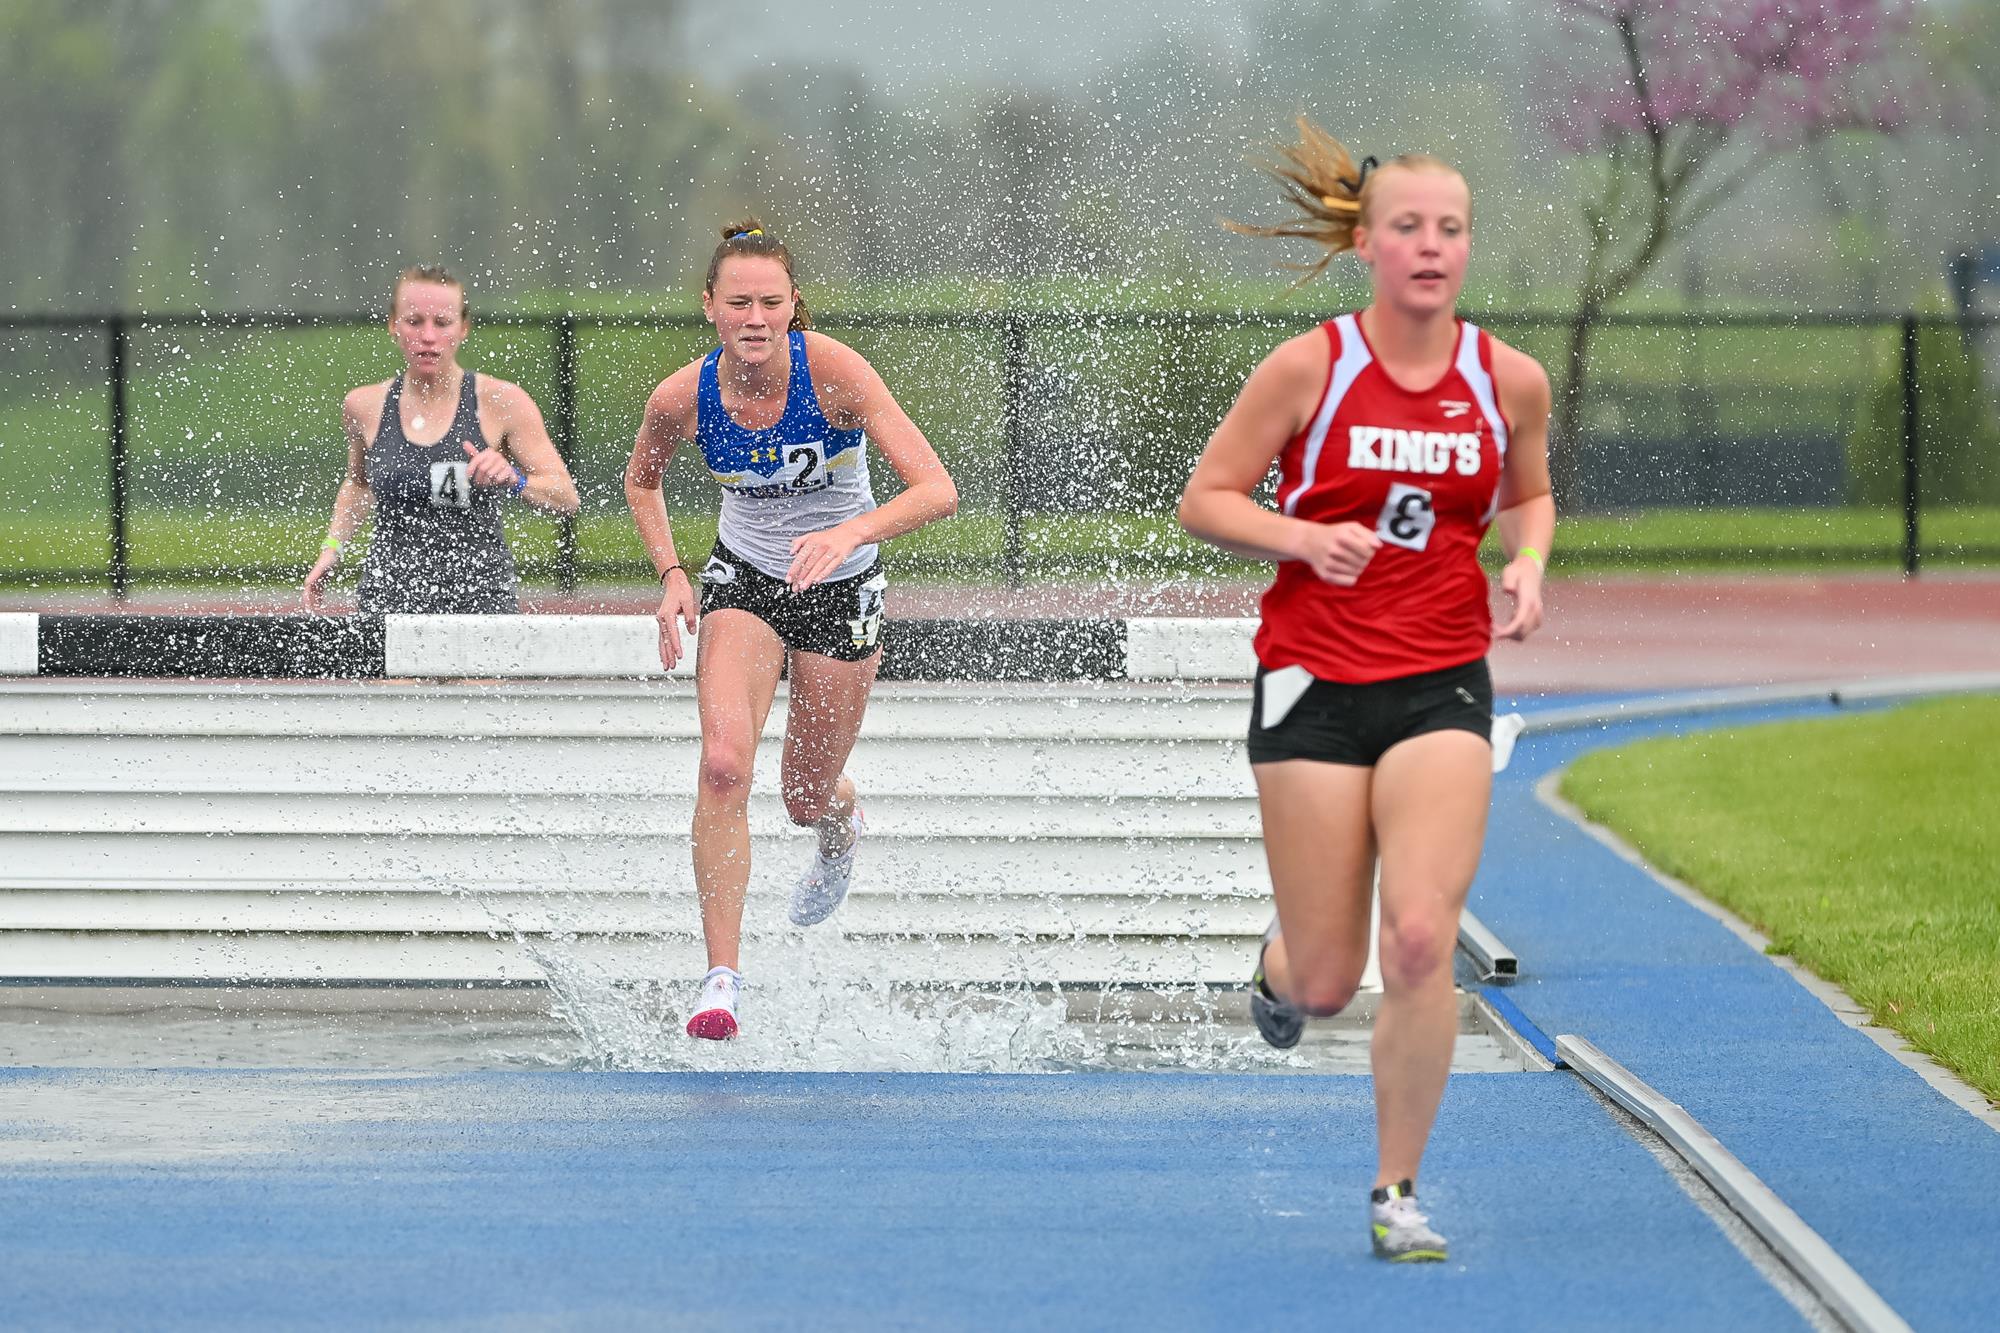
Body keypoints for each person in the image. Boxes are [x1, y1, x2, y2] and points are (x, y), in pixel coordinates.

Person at [1178, 120, 1555, 1262]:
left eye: (1450, 229)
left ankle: (1396, 1191)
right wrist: (1301, 535)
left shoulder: (1507, 379)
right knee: (1332, 974)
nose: (1430, 247)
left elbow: (1528, 498)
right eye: (1407, 228)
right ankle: (1281, 965)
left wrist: (1526, 564)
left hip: (1441, 680)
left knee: (1422, 936)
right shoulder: (1310, 366)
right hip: (1312, 683)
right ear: (1366, 246)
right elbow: (1206, 498)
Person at [624, 219, 957, 1041]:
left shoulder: (835, 372)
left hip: (840, 585)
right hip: (744, 580)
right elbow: (641, 481)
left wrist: (852, 531)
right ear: (709, 307)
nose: (755, 318)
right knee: (725, 765)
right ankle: (722, 980)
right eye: (738, 301)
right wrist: (671, 575)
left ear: (793, 305)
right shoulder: (681, 397)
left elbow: (937, 489)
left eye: (771, 301)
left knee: (804, 797)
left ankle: (842, 828)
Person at [303, 264, 579, 613]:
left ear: (464, 327)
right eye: (415, 321)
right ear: (393, 324)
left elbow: (566, 498)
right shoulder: (364, 406)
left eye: (442, 323)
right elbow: (359, 485)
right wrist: (332, 549)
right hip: (390, 594)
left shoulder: (503, 402)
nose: (428, 336)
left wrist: (515, 479)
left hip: (479, 595)